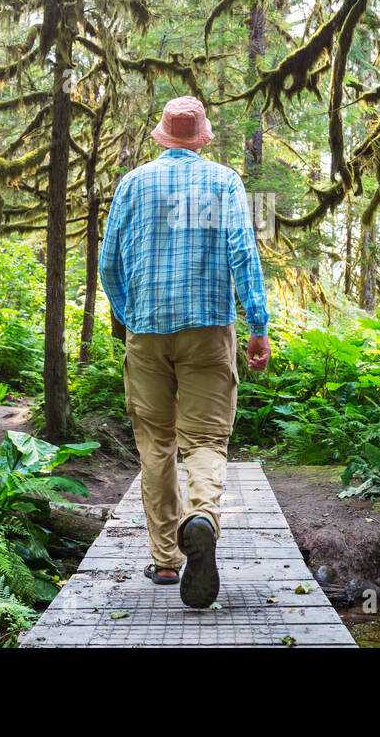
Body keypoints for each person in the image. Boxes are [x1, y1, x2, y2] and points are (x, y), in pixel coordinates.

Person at [98, 95, 271, 608]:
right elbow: (243, 252)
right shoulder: (223, 182)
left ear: (163, 136)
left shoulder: (133, 183)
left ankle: (166, 561)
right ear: (201, 138)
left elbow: (109, 263)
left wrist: (132, 316)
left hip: (147, 331)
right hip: (208, 330)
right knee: (206, 441)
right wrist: (257, 326)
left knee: (156, 444)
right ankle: (203, 518)